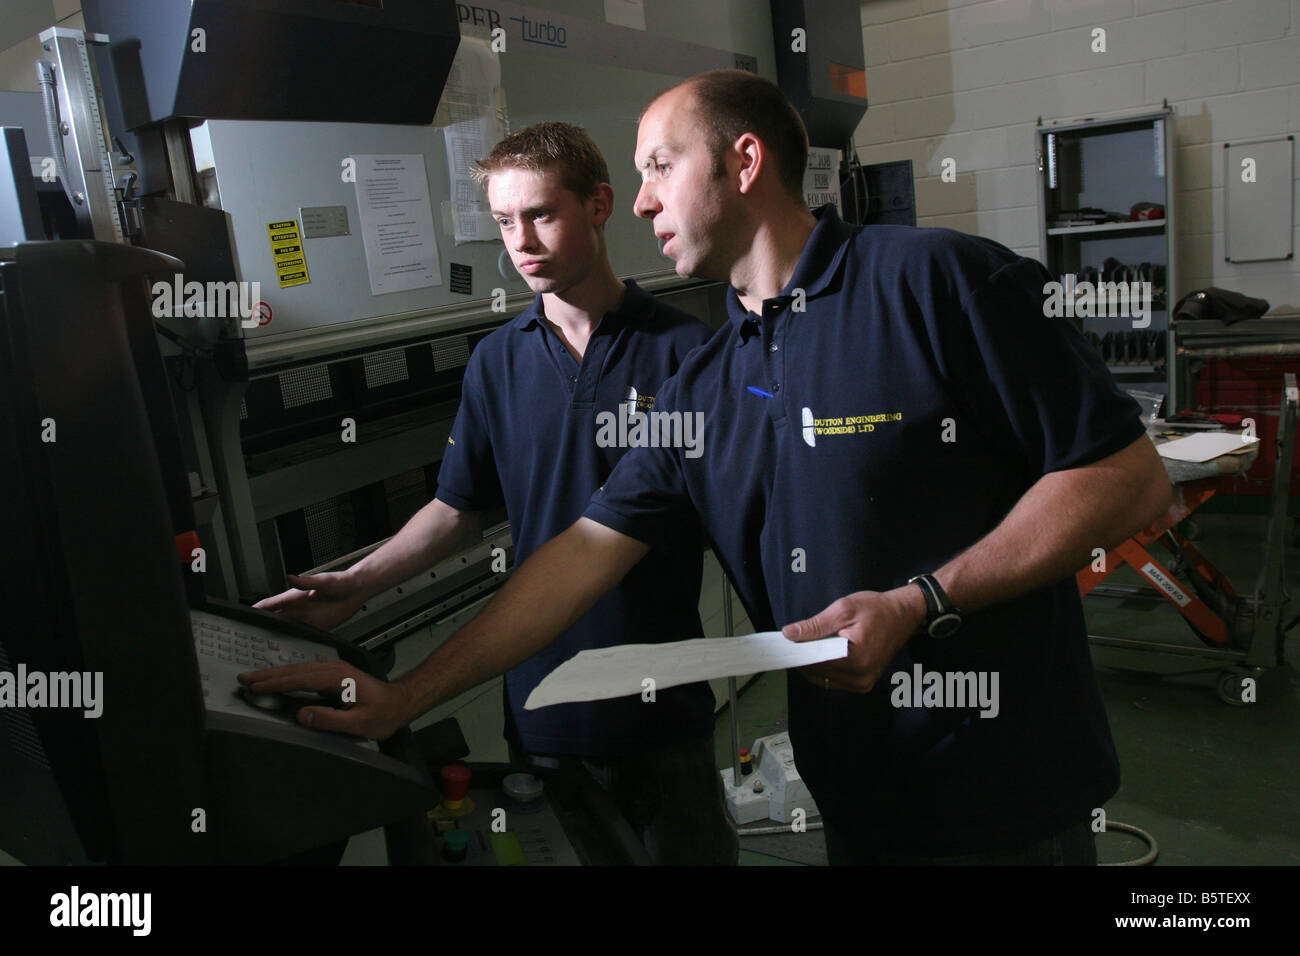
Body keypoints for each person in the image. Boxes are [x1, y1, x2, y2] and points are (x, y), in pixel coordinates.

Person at [244, 74, 1172, 865]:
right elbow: (577, 556)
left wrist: (919, 601)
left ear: (744, 162)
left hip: (1005, 790)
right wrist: (404, 695)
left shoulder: (933, 282)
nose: (642, 201)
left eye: (657, 167)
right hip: (855, 791)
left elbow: (1128, 475)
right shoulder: (708, 380)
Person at [250, 121, 736, 866]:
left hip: (661, 712)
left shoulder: (685, 354)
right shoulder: (498, 362)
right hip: (541, 708)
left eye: (541, 214)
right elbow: (456, 509)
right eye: (505, 221)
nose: (521, 241)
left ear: (600, 205)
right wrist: (356, 585)